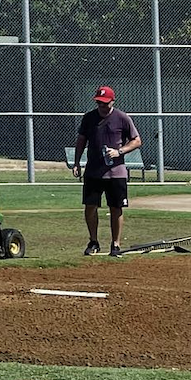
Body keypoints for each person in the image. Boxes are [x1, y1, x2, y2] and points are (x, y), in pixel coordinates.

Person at [71, 86, 142, 257]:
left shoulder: (122, 118)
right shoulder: (89, 118)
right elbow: (81, 140)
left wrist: (119, 151)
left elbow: (136, 140)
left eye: (105, 103)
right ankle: (93, 242)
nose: (102, 106)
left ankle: (115, 244)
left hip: (115, 173)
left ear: (112, 101)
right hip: (93, 172)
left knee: (116, 207)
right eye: (99, 103)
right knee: (90, 207)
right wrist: (76, 162)